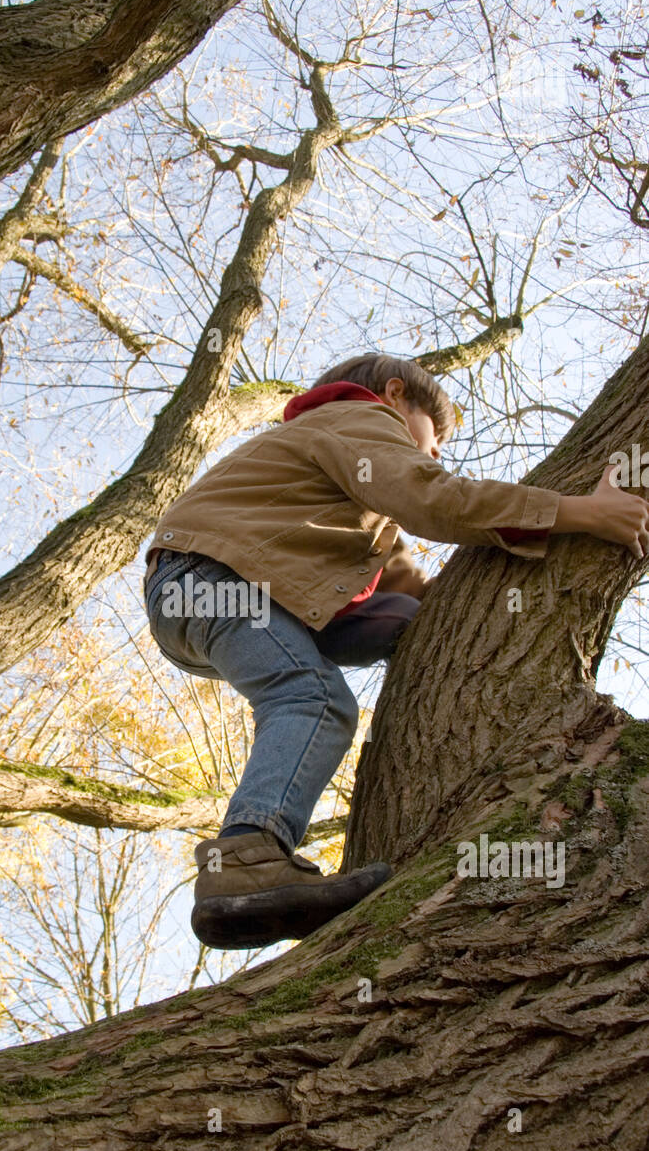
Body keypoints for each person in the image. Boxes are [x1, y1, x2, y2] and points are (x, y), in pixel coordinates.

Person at [142, 352, 649, 951]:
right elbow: (429, 495)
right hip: (213, 580)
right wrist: (578, 513)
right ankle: (246, 856)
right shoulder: (357, 417)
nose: (434, 454)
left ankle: (251, 861)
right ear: (394, 395)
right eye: (432, 439)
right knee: (313, 699)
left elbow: (409, 591)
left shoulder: (351, 507)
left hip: (217, 594)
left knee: (402, 620)